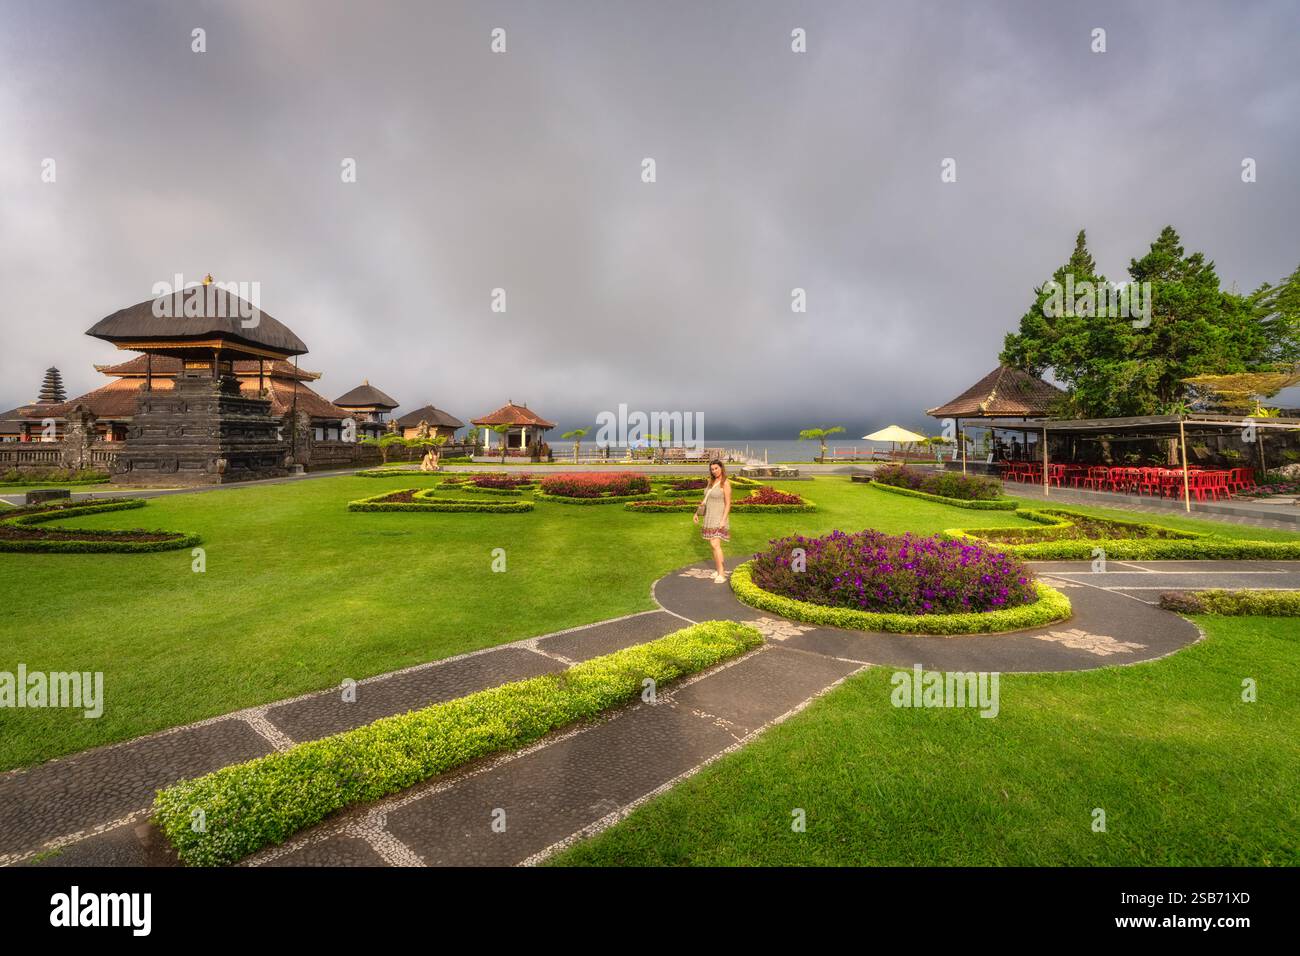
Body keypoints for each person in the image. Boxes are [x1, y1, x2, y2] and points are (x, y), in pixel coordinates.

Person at [692, 458, 732, 583]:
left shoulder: (725, 483)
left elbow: (728, 504)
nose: (714, 471)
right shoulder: (711, 481)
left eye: (716, 468)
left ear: (721, 468)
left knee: (715, 544)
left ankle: (721, 574)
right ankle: (719, 569)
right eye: (712, 469)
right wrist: (697, 513)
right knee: (713, 546)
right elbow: (705, 499)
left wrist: (723, 520)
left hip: (719, 517)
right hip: (709, 516)